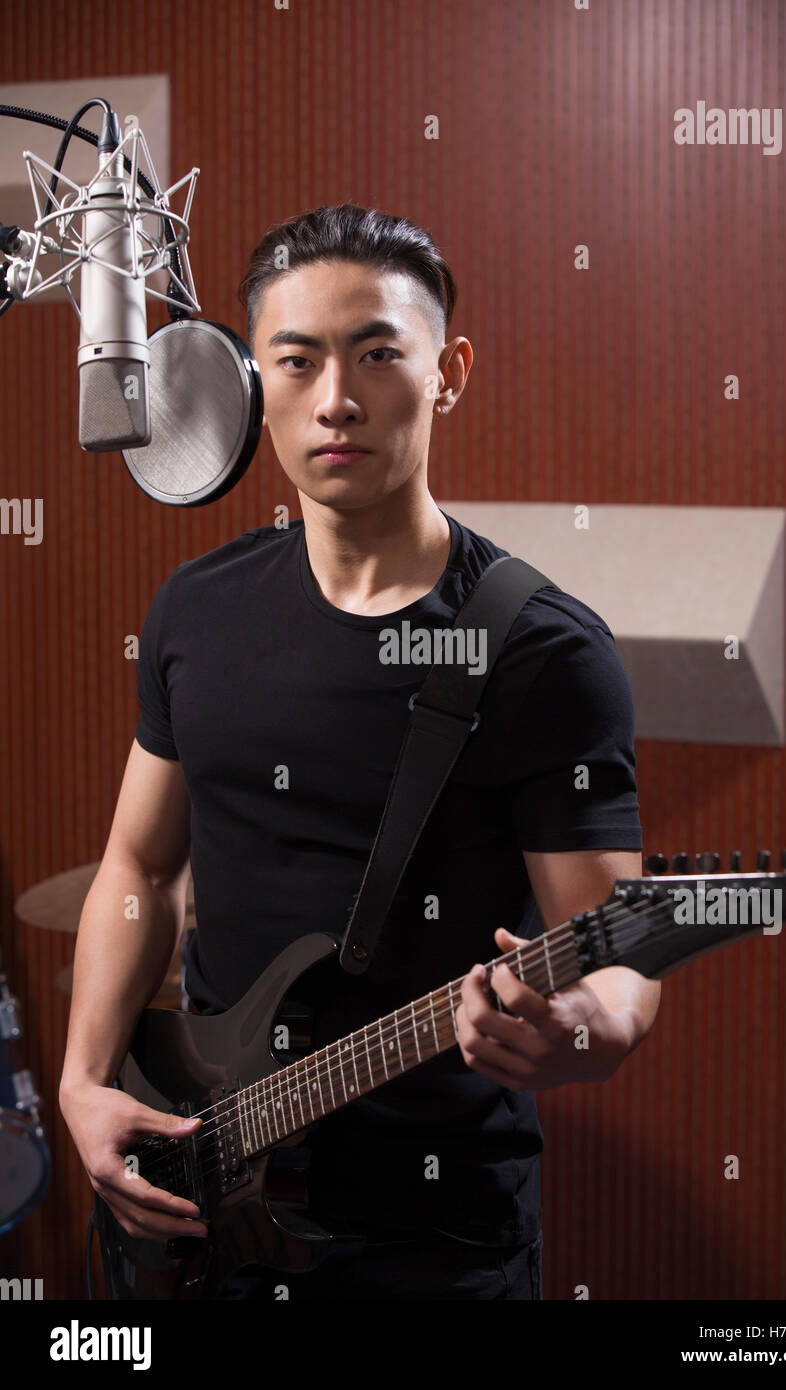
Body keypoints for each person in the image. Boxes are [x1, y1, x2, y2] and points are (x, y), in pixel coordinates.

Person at [60, 203, 661, 1301]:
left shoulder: (542, 652)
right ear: (255, 381)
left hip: (433, 1240)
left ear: (449, 371)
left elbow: (617, 955)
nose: (336, 399)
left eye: (378, 354)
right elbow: (140, 868)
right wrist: (83, 1080)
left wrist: (581, 1030)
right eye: (297, 360)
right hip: (205, 1200)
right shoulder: (195, 611)